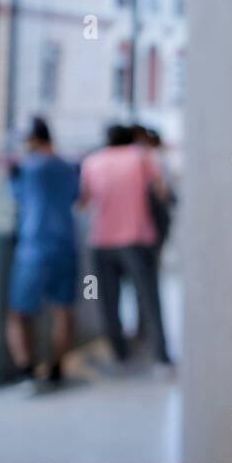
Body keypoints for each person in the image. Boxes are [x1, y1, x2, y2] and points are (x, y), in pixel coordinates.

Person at [79, 124, 172, 368]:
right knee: (149, 298)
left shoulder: (91, 161)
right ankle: (160, 355)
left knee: (108, 301)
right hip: (136, 239)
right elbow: (161, 190)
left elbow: (83, 202)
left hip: (100, 240)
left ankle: (119, 354)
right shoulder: (140, 157)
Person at [7, 116, 80, 387]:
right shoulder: (69, 167)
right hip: (65, 246)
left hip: (34, 248)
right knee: (63, 310)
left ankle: (26, 369)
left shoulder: (27, 169)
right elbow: (76, 197)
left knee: (19, 313)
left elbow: (15, 196)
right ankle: (57, 368)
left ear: (33, 140)